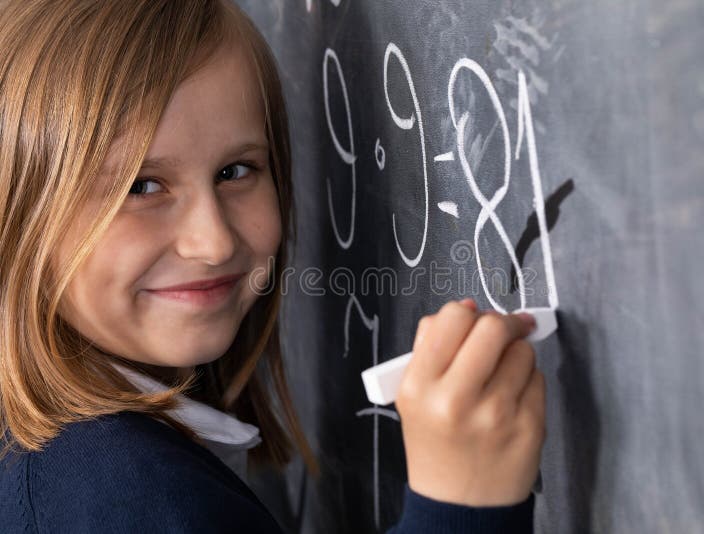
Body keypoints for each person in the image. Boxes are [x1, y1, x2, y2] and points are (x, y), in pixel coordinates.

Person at [0, 1, 546, 532]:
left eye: (236, 171)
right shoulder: (129, 497)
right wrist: (461, 508)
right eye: (141, 187)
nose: (212, 242)